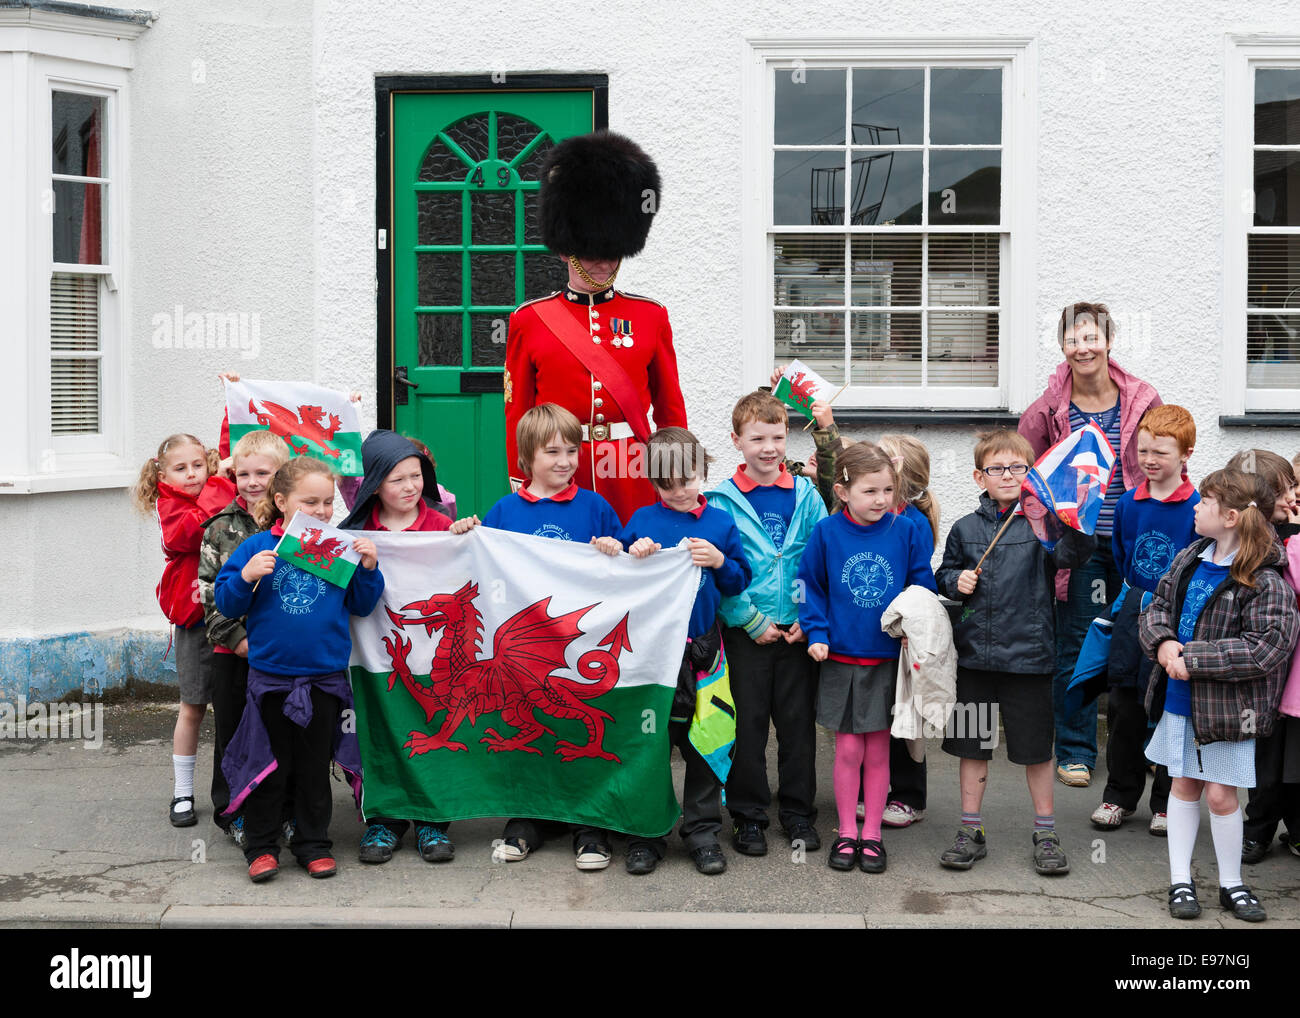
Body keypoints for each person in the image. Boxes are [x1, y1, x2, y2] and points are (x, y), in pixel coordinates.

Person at [466, 403, 624, 869]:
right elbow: (479, 564)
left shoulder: (596, 507)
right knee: (527, 728)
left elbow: (627, 573)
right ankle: (526, 819)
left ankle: (588, 824)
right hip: (521, 653)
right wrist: (464, 535)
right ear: (526, 458)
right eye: (553, 451)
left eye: (572, 450)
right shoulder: (505, 510)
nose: (565, 460)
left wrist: (613, 549)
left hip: (579, 646)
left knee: (575, 722)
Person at [214, 457, 384, 883]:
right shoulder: (257, 548)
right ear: (281, 501)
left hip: (324, 678)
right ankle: (261, 846)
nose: (323, 512)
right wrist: (244, 578)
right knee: (268, 766)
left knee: (312, 769)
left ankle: (313, 845)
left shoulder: (338, 547)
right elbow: (226, 605)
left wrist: (368, 570)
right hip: (270, 680)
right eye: (311, 502)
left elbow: (361, 606)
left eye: (329, 502)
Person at [1140, 467, 1299, 920]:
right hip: (1178, 700)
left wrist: (1195, 659)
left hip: (1229, 710)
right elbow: (1157, 607)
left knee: (1221, 796)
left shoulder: (1264, 578)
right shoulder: (1190, 556)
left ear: (1230, 516)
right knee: (1184, 785)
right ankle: (1180, 881)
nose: (1194, 507)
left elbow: (1268, 645)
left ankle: (1232, 883)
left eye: (1204, 502)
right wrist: (1163, 642)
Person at [504, 130, 687, 523]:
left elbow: (670, 406)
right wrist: (521, 480)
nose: (603, 262)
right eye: (592, 251)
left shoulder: (651, 315)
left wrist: (677, 474)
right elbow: (518, 411)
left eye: (612, 251)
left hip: (630, 471)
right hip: (558, 470)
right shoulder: (529, 319)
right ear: (567, 248)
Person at [934, 431, 1095, 875]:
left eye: (1018, 468)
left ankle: (1045, 830)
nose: (1007, 476)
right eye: (996, 469)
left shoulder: (1044, 525)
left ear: (1031, 473)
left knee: (1036, 751)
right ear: (978, 476)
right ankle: (971, 829)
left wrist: (1078, 521)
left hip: (1029, 660)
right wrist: (955, 581)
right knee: (974, 747)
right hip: (975, 663)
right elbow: (944, 574)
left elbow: (1073, 556)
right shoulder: (965, 528)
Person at [1019, 302, 1163, 788]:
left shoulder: (1143, 400)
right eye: (1073, 340)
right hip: (1078, 546)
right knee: (1077, 645)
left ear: (1109, 340)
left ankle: (1140, 750)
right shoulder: (1048, 409)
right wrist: (1045, 534)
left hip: (1134, 541)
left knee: (1143, 642)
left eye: (1091, 338)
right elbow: (1026, 475)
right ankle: (1076, 750)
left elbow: (1163, 459)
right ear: (1062, 345)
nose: (1083, 348)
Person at [797, 442, 937, 873]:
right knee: (847, 751)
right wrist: (817, 632)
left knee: (878, 752)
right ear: (843, 491)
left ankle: (872, 835)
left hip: (888, 662)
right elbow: (809, 586)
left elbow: (922, 588)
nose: (880, 500)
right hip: (840, 659)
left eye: (887, 490)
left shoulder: (907, 531)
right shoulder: (826, 533)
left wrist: (916, 632)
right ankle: (846, 831)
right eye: (870, 491)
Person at [618, 428, 752, 874]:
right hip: (652, 654)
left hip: (705, 651)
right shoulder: (641, 520)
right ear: (652, 482)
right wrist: (630, 552)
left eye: (686, 479)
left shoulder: (719, 522)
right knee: (652, 744)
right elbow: (614, 580)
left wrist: (719, 561)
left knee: (705, 741)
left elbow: (737, 582)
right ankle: (647, 833)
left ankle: (702, 832)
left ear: (703, 471)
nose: (677, 491)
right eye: (665, 484)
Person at [706, 391, 826, 858]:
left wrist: (807, 620)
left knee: (798, 729)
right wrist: (748, 619)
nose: (769, 447)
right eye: (757, 438)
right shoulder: (719, 501)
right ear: (737, 441)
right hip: (746, 634)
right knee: (748, 728)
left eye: (778, 436)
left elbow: (819, 561)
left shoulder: (807, 496)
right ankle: (748, 816)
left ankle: (798, 812)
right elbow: (719, 571)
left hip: (797, 634)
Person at [340, 430, 464, 866]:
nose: (410, 486)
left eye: (416, 476)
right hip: (373, 655)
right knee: (380, 731)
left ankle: (433, 820)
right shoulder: (354, 532)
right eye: (398, 479)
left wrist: (464, 536)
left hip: (432, 656)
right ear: (374, 484)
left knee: (432, 727)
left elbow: (465, 572)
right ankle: (384, 819)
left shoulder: (437, 524)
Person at [1092, 406, 1200, 836]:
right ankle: (1118, 796)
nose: (1150, 460)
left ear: (1186, 454)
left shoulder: (1195, 507)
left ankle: (1167, 803)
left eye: (1161, 452)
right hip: (1133, 612)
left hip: (1178, 619)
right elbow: (1122, 555)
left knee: (1172, 711)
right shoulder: (1127, 504)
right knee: (1124, 707)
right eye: (1143, 451)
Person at [132, 433, 236, 828]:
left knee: (235, 708)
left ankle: (239, 789)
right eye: (181, 469)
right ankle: (182, 792)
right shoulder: (169, 504)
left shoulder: (219, 486)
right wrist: (215, 482)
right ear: (163, 473)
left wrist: (234, 394)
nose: (192, 475)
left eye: (198, 465)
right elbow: (193, 532)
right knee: (193, 707)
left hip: (231, 611)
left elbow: (239, 441)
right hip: (195, 619)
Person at [196, 430, 289, 847]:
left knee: (281, 734)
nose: (252, 482)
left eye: (263, 473)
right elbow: (208, 593)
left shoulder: (298, 526)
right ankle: (232, 810)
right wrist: (236, 640)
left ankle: (281, 811)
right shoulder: (219, 529)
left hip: (283, 656)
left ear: (281, 476)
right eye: (244, 473)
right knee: (234, 736)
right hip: (233, 654)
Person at [1230, 449, 1300, 862]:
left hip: (1291, 674)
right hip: (1261, 670)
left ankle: (1292, 826)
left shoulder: (1291, 534)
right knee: (1263, 758)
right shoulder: (1254, 541)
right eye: (1287, 488)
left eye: (1293, 486)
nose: (1294, 495)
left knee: (1288, 759)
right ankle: (1256, 828)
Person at [877, 433, 941, 830]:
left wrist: (909, 626)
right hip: (873, 635)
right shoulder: (871, 511)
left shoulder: (913, 523)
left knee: (906, 718)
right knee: (879, 717)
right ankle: (878, 789)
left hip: (901, 635)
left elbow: (920, 585)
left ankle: (908, 796)